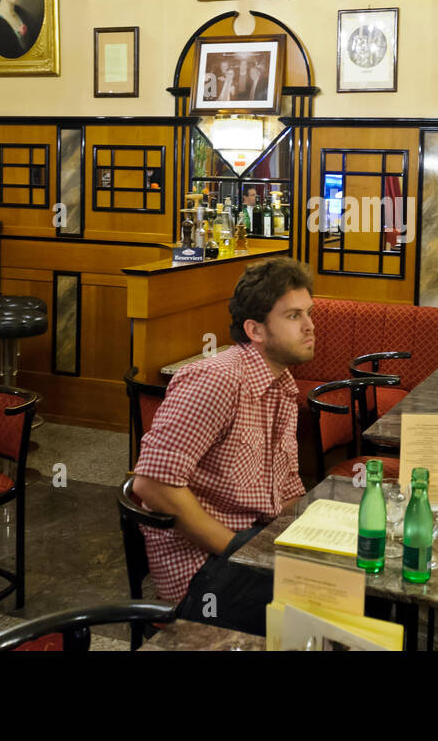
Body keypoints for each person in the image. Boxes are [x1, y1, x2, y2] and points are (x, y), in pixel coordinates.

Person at [131, 257, 314, 635]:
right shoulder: (217, 380)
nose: (311, 326)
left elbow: (286, 495)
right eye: (294, 316)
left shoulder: (281, 386)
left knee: (357, 581)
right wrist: (237, 549)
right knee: (336, 605)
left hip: (254, 543)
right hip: (201, 573)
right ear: (255, 330)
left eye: (308, 313)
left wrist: (330, 530)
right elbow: (151, 484)